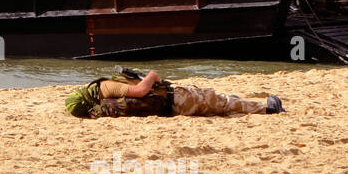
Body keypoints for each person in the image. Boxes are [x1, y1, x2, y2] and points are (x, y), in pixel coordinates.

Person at [64, 68, 283, 118]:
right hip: (174, 98)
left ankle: (232, 101)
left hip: (169, 110)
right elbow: (140, 91)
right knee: (220, 102)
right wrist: (152, 75)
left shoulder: (100, 110)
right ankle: (268, 109)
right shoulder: (104, 89)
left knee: (217, 103)